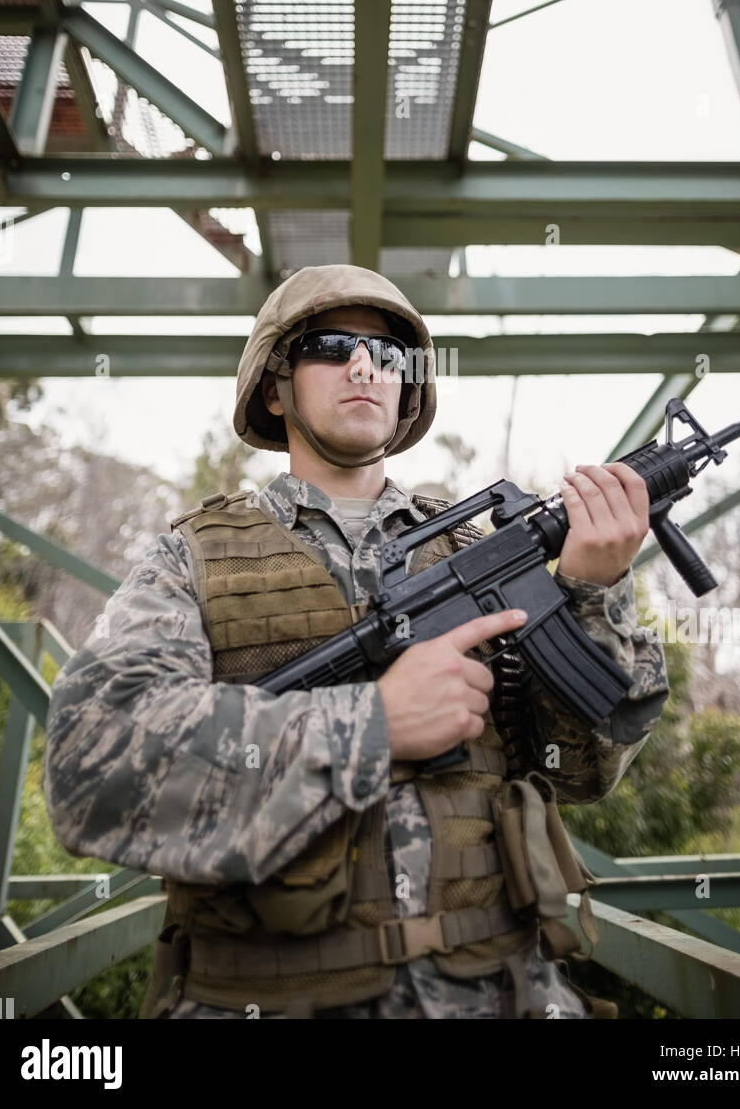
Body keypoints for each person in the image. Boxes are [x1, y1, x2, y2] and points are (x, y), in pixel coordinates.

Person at [44, 263, 669, 1020]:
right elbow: (90, 768)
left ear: (409, 390)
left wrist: (588, 592)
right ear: (275, 387)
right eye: (331, 346)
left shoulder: (482, 544)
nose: (366, 365)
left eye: (389, 355)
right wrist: (369, 725)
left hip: (504, 995)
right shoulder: (192, 560)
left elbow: (582, 770)